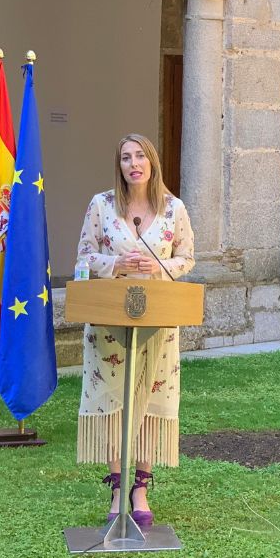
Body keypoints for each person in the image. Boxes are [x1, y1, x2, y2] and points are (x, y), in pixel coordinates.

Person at [74, 133, 195, 527]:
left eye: (140, 156)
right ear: (120, 165)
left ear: (152, 162)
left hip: (157, 321)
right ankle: (116, 490)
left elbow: (186, 258)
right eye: (126, 157)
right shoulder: (102, 205)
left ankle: (140, 489)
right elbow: (85, 256)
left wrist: (158, 268)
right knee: (115, 403)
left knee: (147, 400)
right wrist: (116, 264)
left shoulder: (173, 207)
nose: (133, 163)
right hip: (110, 322)